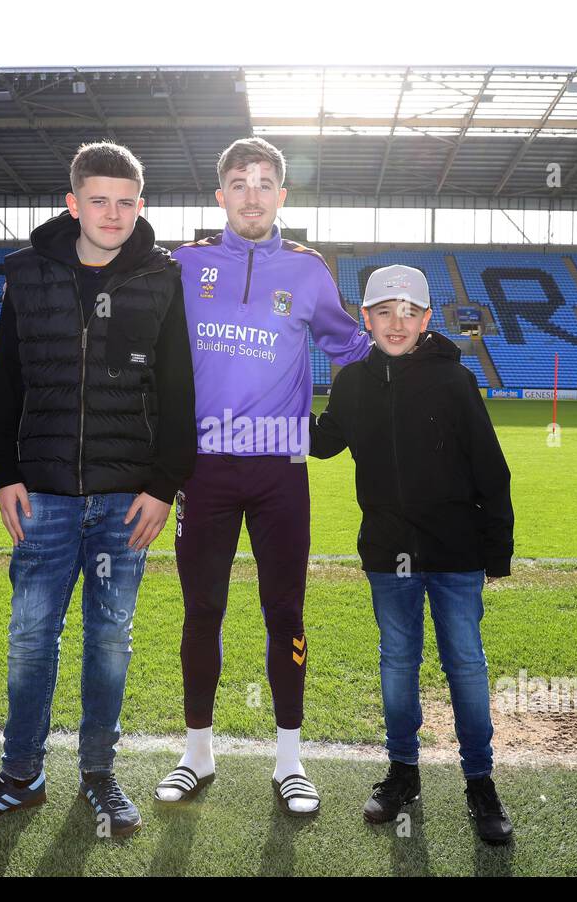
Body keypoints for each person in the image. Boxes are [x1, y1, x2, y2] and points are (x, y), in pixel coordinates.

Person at [0, 142, 196, 838]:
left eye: (125, 201)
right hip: (44, 494)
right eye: (98, 200)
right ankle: (20, 775)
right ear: (72, 202)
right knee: (30, 638)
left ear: (140, 207)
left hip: (126, 500)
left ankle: (99, 775)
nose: (111, 214)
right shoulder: (27, 273)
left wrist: (164, 486)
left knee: (110, 642)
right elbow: (8, 378)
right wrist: (4, 469)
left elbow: (177, 392)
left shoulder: (162, 279)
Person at [152, 138, 371, 816]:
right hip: (204, 469)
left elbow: (356, 349)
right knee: (203, 609)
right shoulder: (183, 266)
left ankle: (289, 759)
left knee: (285, 611)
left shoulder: (308, 273)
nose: (252, 194)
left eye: (265, 182)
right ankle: (197, 751)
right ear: (220, 196)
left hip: (281, 469)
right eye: (239, 183)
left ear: (283, 195)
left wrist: (412, 371)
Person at [308, 264, 515, 843]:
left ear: (426, 320)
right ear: (365, 319)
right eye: (382, 311)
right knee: (397, 667)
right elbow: (323, 442)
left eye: (408, 312)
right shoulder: (352, 382)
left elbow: (490, 468)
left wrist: (496, 548)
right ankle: (403, 773)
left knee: (466, 668)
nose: (395, 323)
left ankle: (480, 783)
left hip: (455, 555)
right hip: (387, 554)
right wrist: (269, 403)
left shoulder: (455, 382)